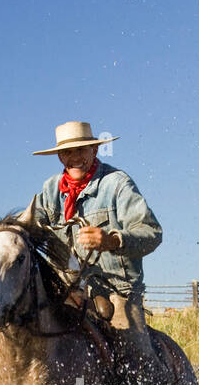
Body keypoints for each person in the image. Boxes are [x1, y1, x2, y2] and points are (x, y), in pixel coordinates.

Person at [32, 121, 164, 371]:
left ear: (94, 150)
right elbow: (32, 225)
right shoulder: (50, 189)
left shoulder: (117, 183)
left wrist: (112, 241)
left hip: (117, 290)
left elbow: (152, 233)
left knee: (135, 361)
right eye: (68, 153)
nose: (74, 158)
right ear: (60, 157)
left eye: (81, 150)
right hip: (67, 290)